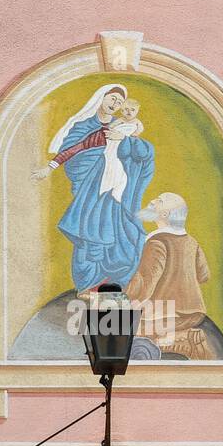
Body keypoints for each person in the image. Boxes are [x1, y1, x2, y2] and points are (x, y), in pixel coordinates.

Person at [30, 85, 154, 293]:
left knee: (124, 235)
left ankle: (115, 286)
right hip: (91, 190)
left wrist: (126, 142)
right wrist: (50, 167)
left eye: (119, 102)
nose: (115, 104)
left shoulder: (124, 126)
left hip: (117, 191)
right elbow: (74, 151)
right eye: (112, 98)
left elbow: (140, 154)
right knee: (90, 236)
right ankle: (90, 286)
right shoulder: (84, 126)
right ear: (101, 97)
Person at [124, 192, 213, 358]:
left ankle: (181, 340)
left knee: (111, 326)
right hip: (194, 314)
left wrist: (124, 295)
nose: (152, 201)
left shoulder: (157, 242)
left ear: (164, 214)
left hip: (165, 314)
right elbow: (204, 276)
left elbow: (145, 284)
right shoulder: (192, 242)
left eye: (158, 201)